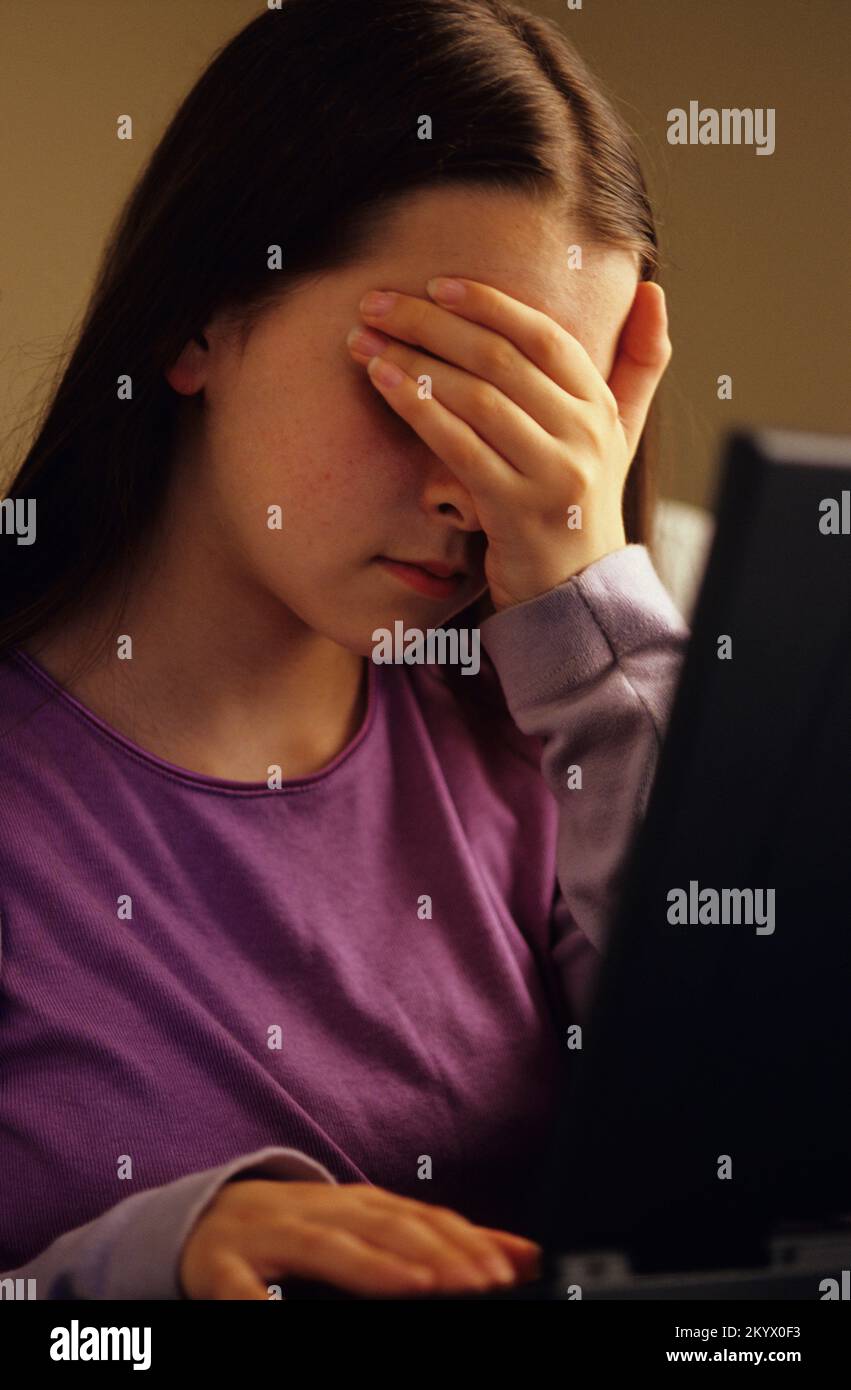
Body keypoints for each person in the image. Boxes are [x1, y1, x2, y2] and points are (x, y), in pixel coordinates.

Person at [0, 0, 688, 1300]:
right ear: (195, 319)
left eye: (546, 427)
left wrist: (594, 606)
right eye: (431, 380)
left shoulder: (539, 740)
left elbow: (754, 1132)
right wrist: (140, 1268)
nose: (473, 494)